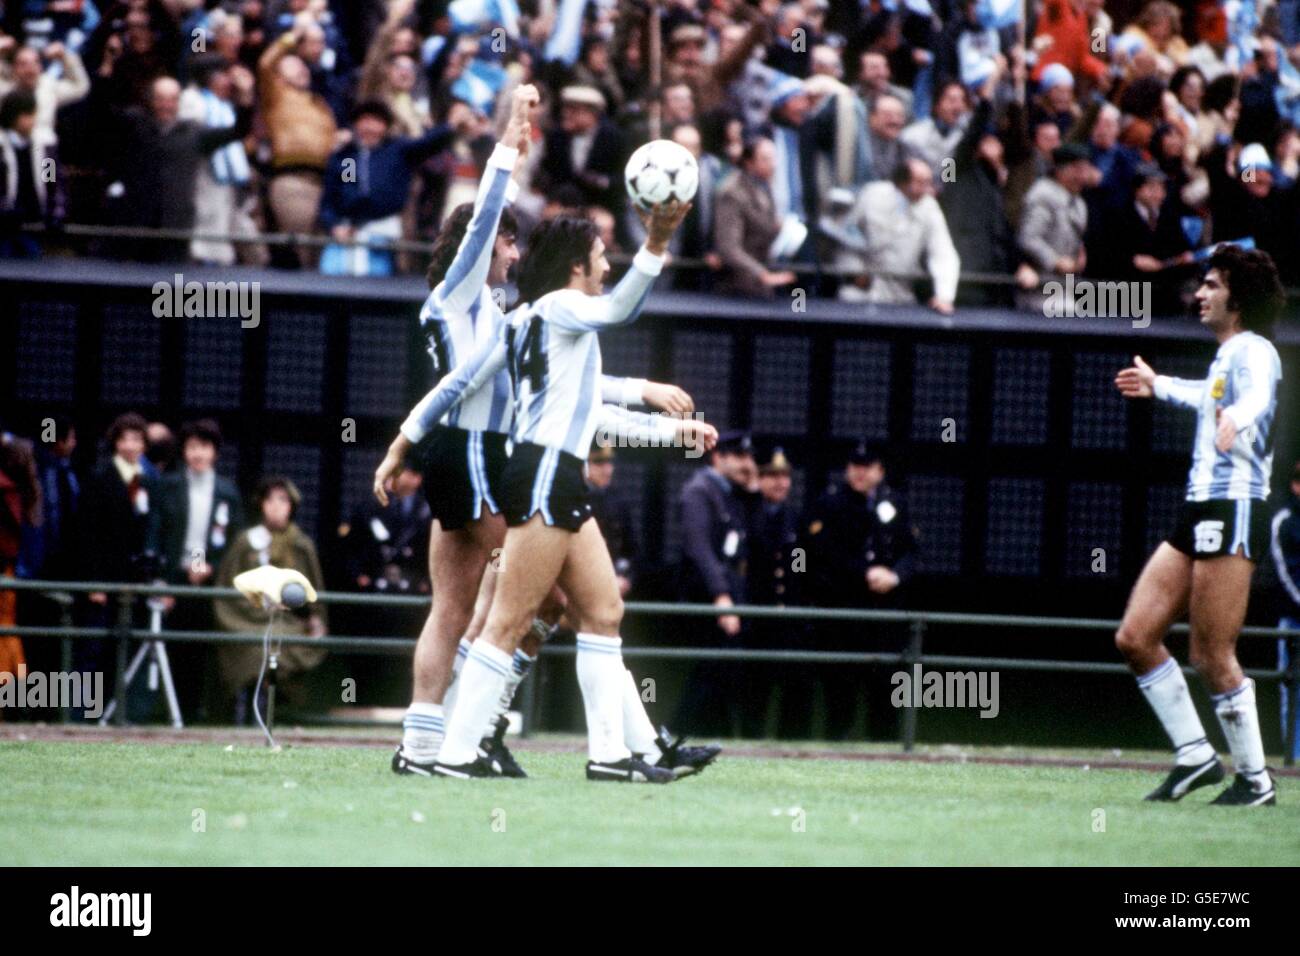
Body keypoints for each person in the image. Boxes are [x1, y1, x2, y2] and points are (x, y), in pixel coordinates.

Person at [374, 86, 714, 781]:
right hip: (491, 457)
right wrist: (512, 138)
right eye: (505, 238)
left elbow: (562, 392)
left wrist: (650, 408)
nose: (508, 247)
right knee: (513, 614)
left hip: (499, 455)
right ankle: (467, 743)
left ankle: (619, 750)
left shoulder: (517, 315)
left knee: (566, 609)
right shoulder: (480, 296)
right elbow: (500, 244)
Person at [1113, 245, 1284, 806]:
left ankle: (1256, 780)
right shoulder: (1225, 356)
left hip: (1233, 505)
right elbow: (1208, 400)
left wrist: (1237, 416)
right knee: (1136, 637)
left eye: (1212, 284)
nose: (1200, 294)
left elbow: (1255, 396)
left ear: (1238, 298)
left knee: (1212, 653)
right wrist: (1159, 385)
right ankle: (1195, 756)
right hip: (1200, 506)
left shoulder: (1253, 351)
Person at [803, 440, 919, 740]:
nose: (859, 473)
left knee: (884, 693)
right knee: (840, 695)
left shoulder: (896, 503)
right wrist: (864, 572)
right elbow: (823, 553)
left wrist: (894, 576)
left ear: (880, 471)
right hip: (844, 614)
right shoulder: (830, 504)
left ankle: (887, 754)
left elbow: (911, 552)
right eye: (854, 466)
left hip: (884, 617)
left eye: (867, 467)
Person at [213, 476, 327, 725]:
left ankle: (265, 706)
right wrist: (259, 603)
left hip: (287, 619)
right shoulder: (246, 541)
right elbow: (228, 587)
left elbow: (314, 594)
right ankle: (245, 706)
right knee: (254, 646)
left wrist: (312, 617)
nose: (276, 505)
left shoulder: (301, 544)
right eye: (270, 499)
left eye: (283, 500)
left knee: (281, 641)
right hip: (246, 618)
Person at [674, 430, 760, 738]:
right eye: (739, 457)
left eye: (749, 457)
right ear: (718, 457)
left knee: (723, 673)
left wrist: (752, 489)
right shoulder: (699, 491)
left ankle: (716, 739)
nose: (746, 464)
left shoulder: (730, 493)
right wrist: (721, 595)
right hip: (706, 598)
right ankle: (673, 734)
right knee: (709, 673)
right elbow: (699, 548)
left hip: (730, 596)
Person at [834, 157, 960, 313]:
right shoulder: (872, 195)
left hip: (901, 296)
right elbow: (846, 236)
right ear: (902, 182)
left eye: (929, 182)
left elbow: (943, 253)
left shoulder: (929, 208)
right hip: (860, 293)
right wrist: (854, 272)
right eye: (921, 183)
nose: (929, 190)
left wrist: (944, 296)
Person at [712, 137, 796, 298]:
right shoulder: (732, 193)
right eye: (766, 159)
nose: (773, 164)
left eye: (774, 158)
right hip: (737, 288)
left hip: (762, 283)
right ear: (749, 163)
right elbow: (728, 247)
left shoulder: (765, 186)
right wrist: (762, 274)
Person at [1272, 460, 1300, 762]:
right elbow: (1284, 572)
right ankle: (1294, 759)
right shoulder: (1286, 521)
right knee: (1292, 691)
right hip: (1293, 622)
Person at [585, 443, 639, 598]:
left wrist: (625, 577)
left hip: (614, 584)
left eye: (609, 463)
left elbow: (631, 550)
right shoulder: (572, 500)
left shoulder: (618, 501)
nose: (607, 470)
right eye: (599, 463)